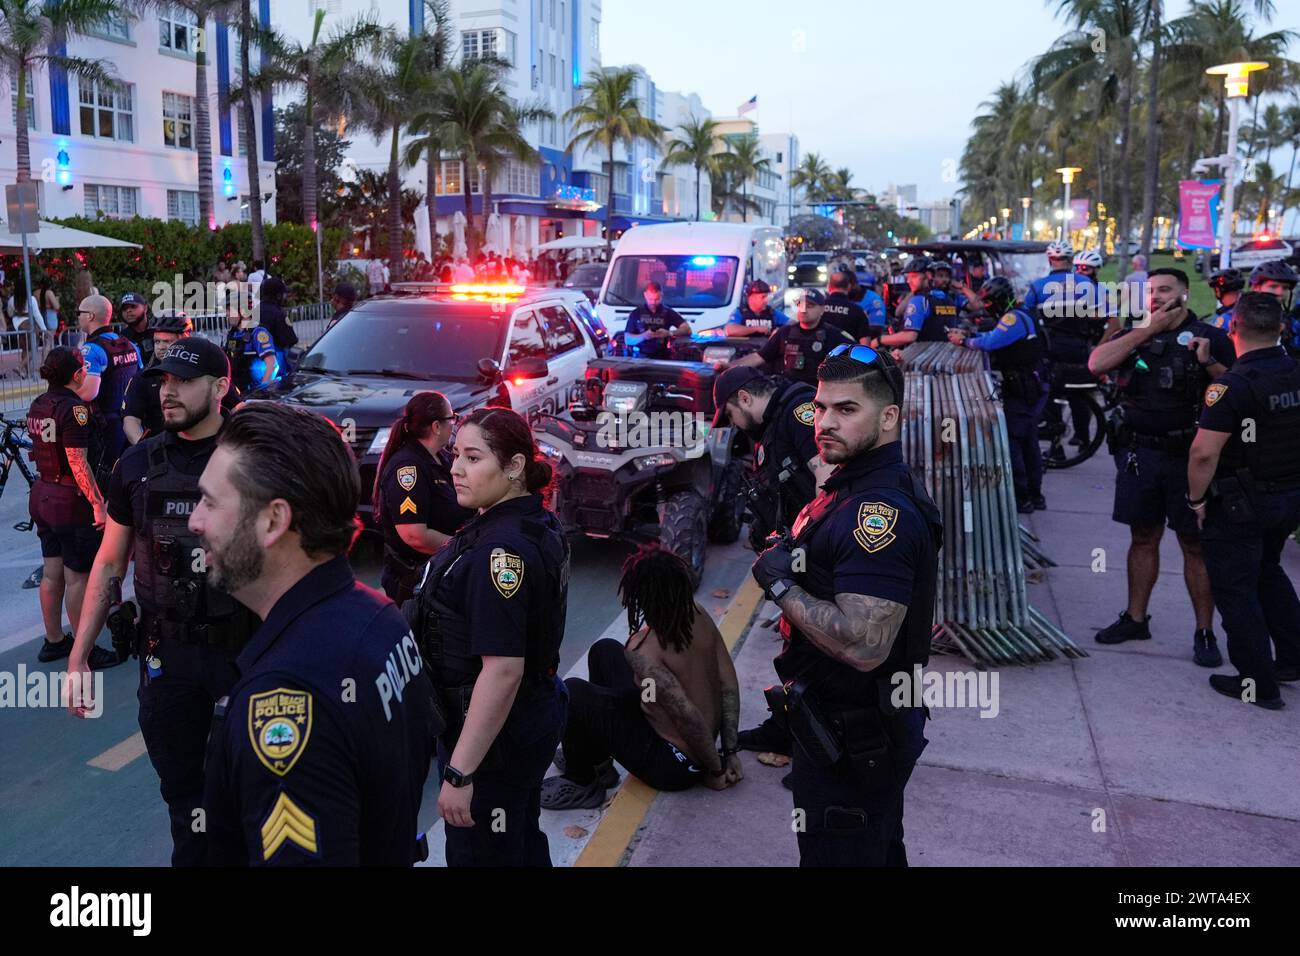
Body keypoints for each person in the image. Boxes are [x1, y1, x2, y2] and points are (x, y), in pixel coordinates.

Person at [192, 402, 438, 865]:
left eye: (209, 501)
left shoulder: (286, 695)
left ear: (273, 521)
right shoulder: (378, 615)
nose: (195, 521)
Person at [750, 344, 942, 866]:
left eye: (846, 409)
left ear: (889, 417)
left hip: (856, 734)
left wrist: (780, 585)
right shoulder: (850, 485)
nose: (824, 422)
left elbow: (864, 644)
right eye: (822, 407)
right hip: (842, 727)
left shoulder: (878, 512)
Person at [66, 336, 254, 866]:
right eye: (162, 382)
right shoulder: (137, 463)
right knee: (185, 803)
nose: (166, 392)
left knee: (254, 794)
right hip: (166, 657)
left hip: (245, 655)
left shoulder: (254, 458)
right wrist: (80, 654)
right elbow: (109, 563)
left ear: (219, 387)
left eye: (181, 382)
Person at [406, 406, 568, 867]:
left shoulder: (501, 550)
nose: (455, 469)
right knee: (518, 839)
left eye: (473, 458)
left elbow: (502, 671)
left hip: (494, 740)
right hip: (524, 720)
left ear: (514, 466)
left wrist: (460, 773)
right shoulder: (529, 520)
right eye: (456, 455)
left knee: (484, 853)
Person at [1086, 268, 1235, 665]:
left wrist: (1209, 364)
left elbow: (1235, 393)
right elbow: (1097, 364)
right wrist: (1148, 330)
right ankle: (1136, 618)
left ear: (1185, 294)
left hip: (1190, 456)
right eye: (1150, 291)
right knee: (1142, 537)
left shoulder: (1211, 336)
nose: (1155, 296)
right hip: (1141, 454)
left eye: (1165, 290)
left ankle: (1205, 631)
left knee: (1194, 544)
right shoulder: (1138, 333)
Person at [541, 545, 743, 809]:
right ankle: (598, 761)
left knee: (574, 692)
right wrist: (730, 751)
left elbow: (685, 713)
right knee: (604, 651)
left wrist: (715, 770)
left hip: (673, 764)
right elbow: (729, 684)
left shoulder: (645, 651)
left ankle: (583, 782)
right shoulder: (698, 613)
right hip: (691, 739)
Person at [1187, 292, 1300, 710]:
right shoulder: (1293, 372)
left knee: (1236, 591)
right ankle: (1291, 659)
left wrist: (1196, 500)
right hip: (1288, 497)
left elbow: (1203, 452)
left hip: (1241, 504)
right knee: (1268, 573)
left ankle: (1258, 685)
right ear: (1281, 329)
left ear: (1232, 328)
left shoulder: (1229, 387)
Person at [26, 347, 119, 670]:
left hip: (41, 494)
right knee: (78, 576)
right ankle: (85, 647)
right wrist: (97, 503)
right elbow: (78, 462)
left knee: (51, 572)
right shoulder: (74, 409)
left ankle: (54, 640)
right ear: (78, 374)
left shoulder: (38, 404)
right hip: (68, 500)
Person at [948, 277, 1049, 512]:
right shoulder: (1018, 312)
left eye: (990, 302)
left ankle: (1023, 497)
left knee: (1016, 442)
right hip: (1030, 385)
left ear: (1000, 299)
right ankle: (1035, 495)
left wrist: (963, 340)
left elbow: (991, 342)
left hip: (1024, 389)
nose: (987, 307)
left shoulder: (1013, 317)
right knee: (1028, 441)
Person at [374, 392, 472, 606]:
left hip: (439, 576)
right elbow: (414, 535)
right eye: (451, 418)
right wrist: (466, 547)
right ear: (436, 426)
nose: (454, 424)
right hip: (413, 586)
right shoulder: (409, 468)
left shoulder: (441, 458)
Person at [74, 294, 141, 488]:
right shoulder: (129, 344)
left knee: (101, 483)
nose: (78, 317)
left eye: (80, 313)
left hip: (103, 428)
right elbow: (140, 377)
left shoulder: (91, 350)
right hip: (130, 423)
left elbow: (88, 393)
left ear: (91, 316)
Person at [730, 289, 856, 387]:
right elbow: (758, 357)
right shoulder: (784, 333)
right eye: (800, 304)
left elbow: (857, 360)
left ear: (822, 309)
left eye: (810, 305)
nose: (804, 309)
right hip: (788, 394)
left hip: (818, 396)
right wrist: (729, 366)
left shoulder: (834, 335)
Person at [880, 259, 954, 347]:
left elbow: (910, 336)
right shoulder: (948, 297)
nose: (909, 281)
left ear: (928, 276)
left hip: (923, 353)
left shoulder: (919, 299)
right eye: (908, 277)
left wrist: (879, 340)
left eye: (914, 276)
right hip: (947, 351)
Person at [624, 281, 691, 359]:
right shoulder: (636, 313)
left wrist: (669, 333)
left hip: (662, 356)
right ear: (645, 295)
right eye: (650, 299)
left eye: (656, 299)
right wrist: (644, 336)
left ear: (661, 296)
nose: (653, 302)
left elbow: (687, 329)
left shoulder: (668, 312)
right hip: (640, 357)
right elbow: (627, 339)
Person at [223, 301, 280, 393]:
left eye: (230, 310)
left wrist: (262, 390)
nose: (227, 314)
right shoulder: (233, 334)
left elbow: (272, 364)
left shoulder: (258, 333)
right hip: (237, 389)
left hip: (252, 392)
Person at [1247, 260, 1299, 358]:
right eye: (1273, 286)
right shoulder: (1239, 318)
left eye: (1285, 288)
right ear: (1256, 287)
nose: (1280, 292)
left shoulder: (1291, 321)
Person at [253, 276, 297, 374]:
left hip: (255, 363)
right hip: (276, 363)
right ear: (278, 296)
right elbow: (290, 340)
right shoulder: (278, 313)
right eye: (283, 294)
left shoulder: (254, 312)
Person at [723, 280, 789, 337]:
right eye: (763, 297)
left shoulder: (772, 313)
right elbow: (729, 330)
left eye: (767, 297)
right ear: (751, 297)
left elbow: (793, 324)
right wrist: (755, 329)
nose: (766, 300)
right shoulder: (740, 312)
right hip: (746, 349)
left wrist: (780, 331)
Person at [822, 271, 874, 343]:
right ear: (849, 287)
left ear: (829, 286)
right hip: (847, 353)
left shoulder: (818, 307)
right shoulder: (857, 311)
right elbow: (865, 346)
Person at [118, 292, 155, 368]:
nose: (128, 311)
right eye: (124, 309)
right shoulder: (122, 338)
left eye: (133, 306)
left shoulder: (158, 329)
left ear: (145, 308)